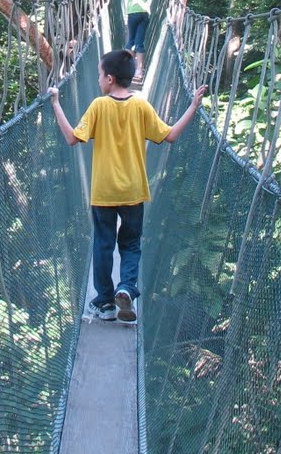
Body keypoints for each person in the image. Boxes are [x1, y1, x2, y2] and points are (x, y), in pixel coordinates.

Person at [49, 49, 206, 323]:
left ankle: (105, 304)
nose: (98, 79)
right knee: (131, 244)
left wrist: (56, 104)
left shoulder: (99, 105)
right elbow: (169, 136)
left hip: (104, 191)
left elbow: (73, 138)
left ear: (109, 79)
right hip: (133, 190)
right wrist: (193, 106)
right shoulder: (141, 105)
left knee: (103, 244)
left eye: (99, 75)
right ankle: (126, 288)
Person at [113, 0, 165, 76]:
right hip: (145, 13)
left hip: (133, 12)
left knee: (130, 41)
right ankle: (139, 70)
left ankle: (125, 68)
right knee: (139, 42)